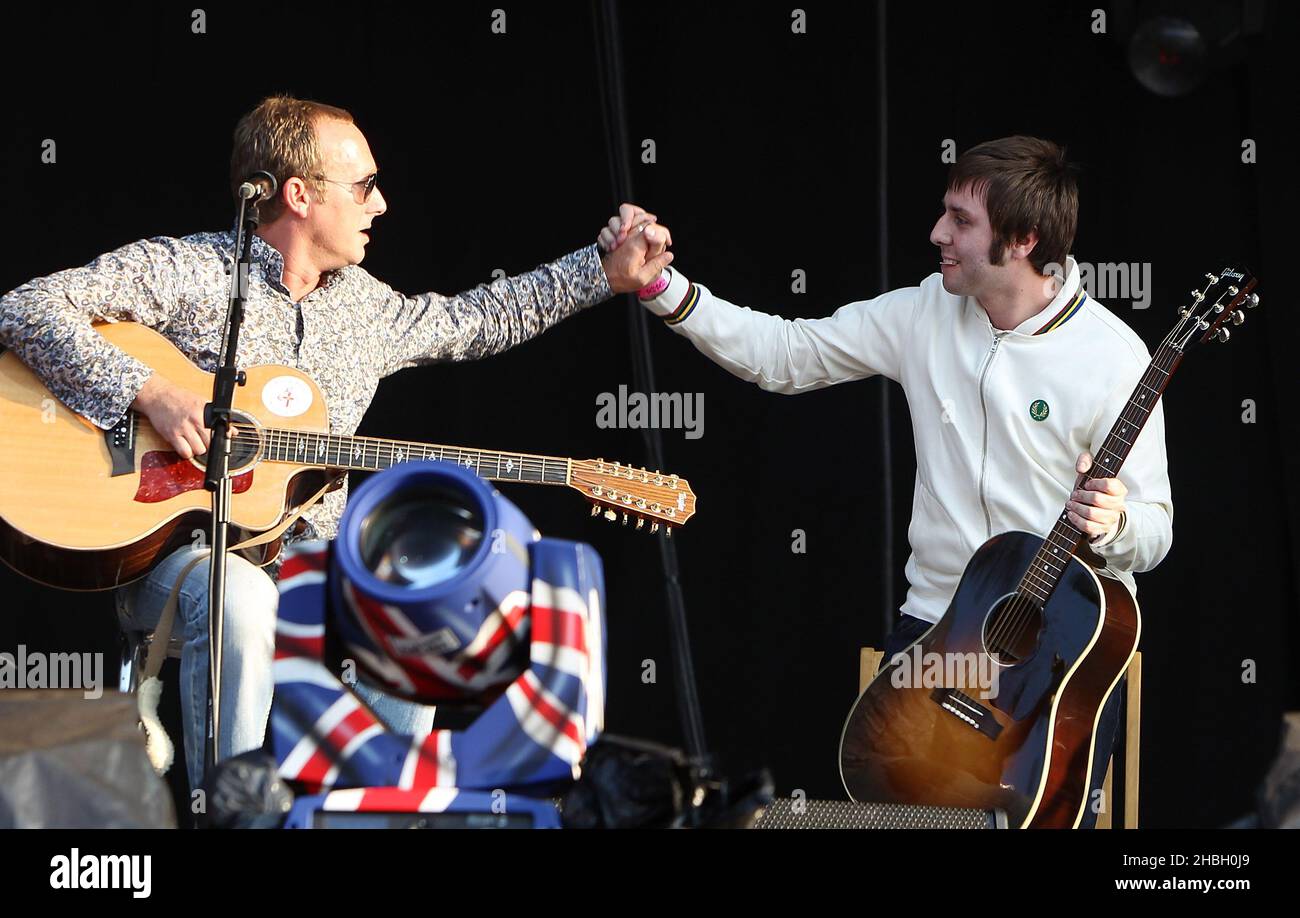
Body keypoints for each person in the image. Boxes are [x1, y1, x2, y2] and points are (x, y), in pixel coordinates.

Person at [0, 95, 674, 793]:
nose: (379, 205)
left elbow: (480, 319)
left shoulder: (364, 306)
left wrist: (601, 271)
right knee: (242, 599)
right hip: (177, 560)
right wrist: (156, 395)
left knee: (416, 606)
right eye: (363, 187)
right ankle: (237, 812)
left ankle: (380, 810)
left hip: (313, 572)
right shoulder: (189, 272)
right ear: (298, 195)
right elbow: (24, 307)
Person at [604, 136, 1172, 828]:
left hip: (1055, 662)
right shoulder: (924, 311)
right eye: (945, 213)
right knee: (887, 816)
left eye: (962, 221)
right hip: (935, 632)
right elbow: (786, 354)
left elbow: (1154, 529)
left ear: (1022, 240)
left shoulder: (1113, 357)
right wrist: (662, 288)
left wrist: (1114, 522)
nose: (937, 233)